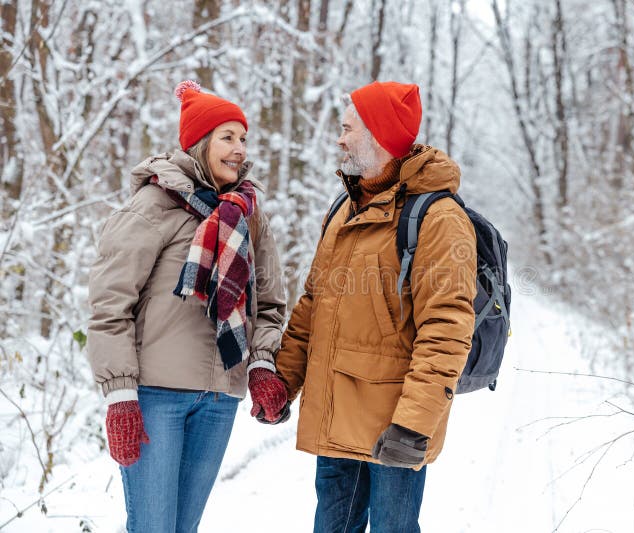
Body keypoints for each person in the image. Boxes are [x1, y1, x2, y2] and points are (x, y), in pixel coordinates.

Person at [257, 80, 478, 532]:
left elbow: (447, 328)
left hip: (394, 429)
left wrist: (414, 424)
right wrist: (284, 381)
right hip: (337, 417)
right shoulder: (344, 208)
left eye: (348, 128)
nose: (340, 138)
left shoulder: (438, 219)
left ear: (380, 134)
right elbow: (313, 309)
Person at [86, 80, 287, 532]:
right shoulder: (154, 206)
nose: (239, 149)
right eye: (227, 137)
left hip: (220, 398)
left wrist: (261, 365)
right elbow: (109, 304)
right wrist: (120, 394)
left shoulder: (248, 215)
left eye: (243, 138)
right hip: (157, 397)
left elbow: (270, 304)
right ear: (199, 142)